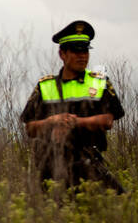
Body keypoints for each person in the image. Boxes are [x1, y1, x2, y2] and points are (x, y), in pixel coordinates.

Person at [19, 20, 124, 193]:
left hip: (90, 163)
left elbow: (108, 120)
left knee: (120, 202)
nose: (82, 56)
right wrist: (52, 121)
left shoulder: (100, 82)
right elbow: (30, 128)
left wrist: (75, 122)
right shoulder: (45, 86)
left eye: (85, 50)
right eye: (76, 51)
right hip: (52, 168)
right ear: (62, 54)